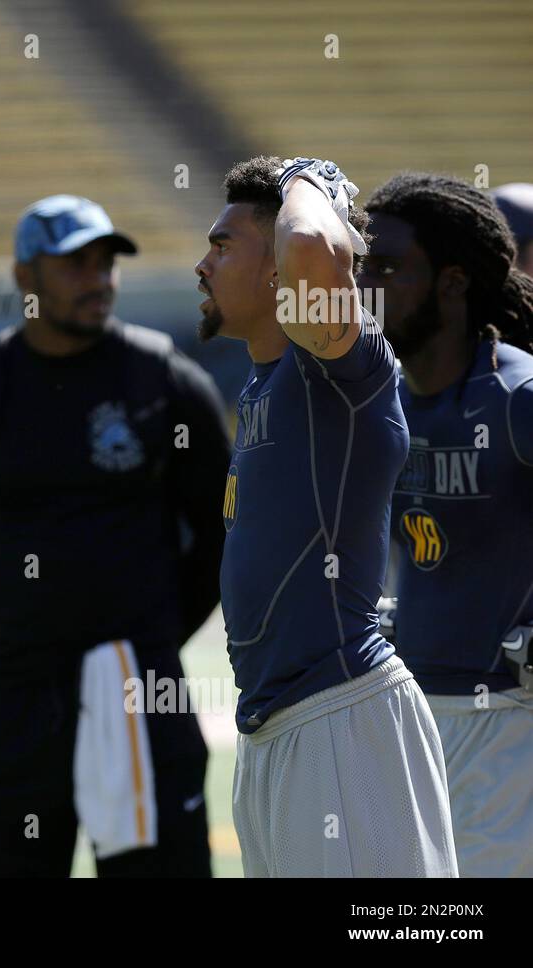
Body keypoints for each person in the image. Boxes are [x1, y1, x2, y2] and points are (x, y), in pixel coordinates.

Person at [0, 195, 227, 877]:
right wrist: (18, 620)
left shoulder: (164, 380)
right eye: (76, 264)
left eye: (107, 262)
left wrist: (150, 629)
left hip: (138, 688)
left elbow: (217, 531)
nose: (99, 278)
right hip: (12, 694)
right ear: (26, 279)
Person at [196, 156, 455, 876]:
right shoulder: (263, 382)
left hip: (340, 720)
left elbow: (312, 246)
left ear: (276, 271)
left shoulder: (337, 367)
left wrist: (302, 178)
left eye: (222, 246)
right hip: (277, 728)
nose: (201, 264)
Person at [360, 171, 533, 876]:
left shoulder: (518, 399)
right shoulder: (379, 404)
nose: (364, 284)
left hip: (506, 729)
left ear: (453, 284)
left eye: (388, 268)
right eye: (360, 265)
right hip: (405, 726)